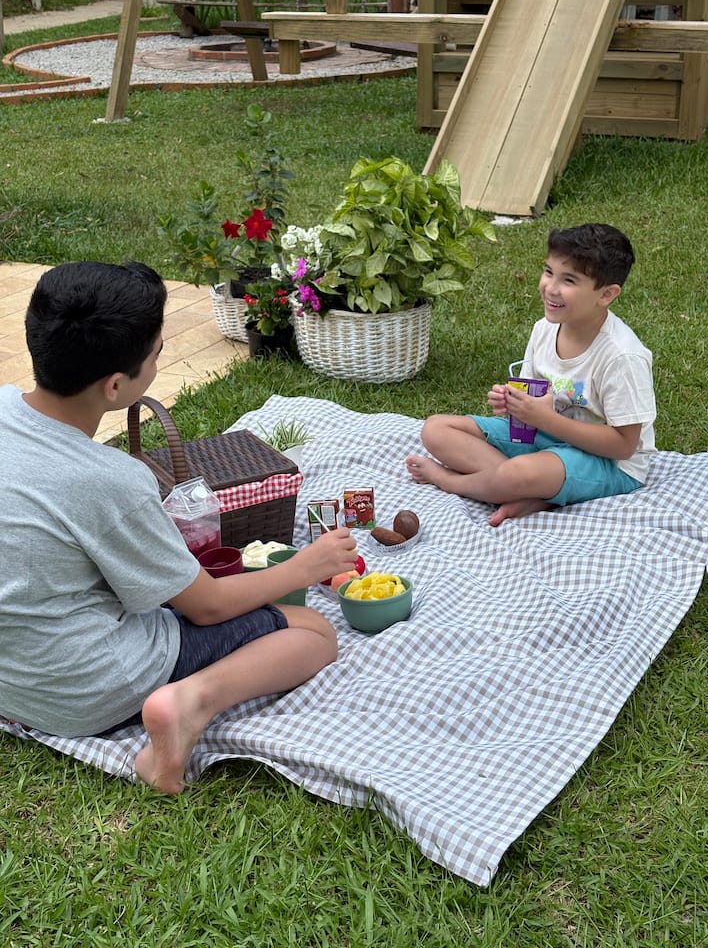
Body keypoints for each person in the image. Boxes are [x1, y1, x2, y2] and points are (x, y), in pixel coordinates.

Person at [0, 260, 357, 795]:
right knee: (313, 632)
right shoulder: (112, 480)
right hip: (85, 691)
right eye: (157, 355)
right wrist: (305, 567)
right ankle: (190, 703)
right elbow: (206, 606)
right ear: (116, 386)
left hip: (12, 680)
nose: (158, 361)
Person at [406, 223, 656, 526]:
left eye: (569, 280)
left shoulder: (621, 356)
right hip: (547, 438)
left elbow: (624, 446)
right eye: (549, 272)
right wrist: (514, 402)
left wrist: (545, 419)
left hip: (608, 462)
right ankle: (525, 490)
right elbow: (536, 396)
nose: (550, 287)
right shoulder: (545, 329)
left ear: (606, 294)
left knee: (517, 472)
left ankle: (454, 482)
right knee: (436, 429)